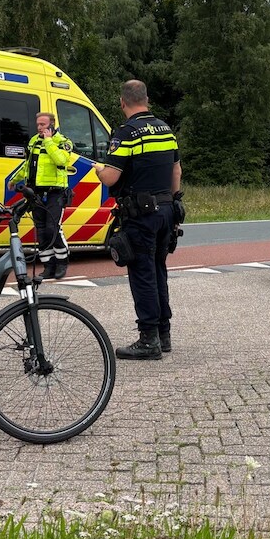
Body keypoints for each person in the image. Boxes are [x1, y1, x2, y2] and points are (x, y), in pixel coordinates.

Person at [93, 80, 183, 360]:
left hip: (141, 215)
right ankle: (163, 333)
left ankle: (148, 340)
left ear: (123, 102)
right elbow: (176, 171)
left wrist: (98, 168)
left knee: (142, 274)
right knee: (158, 270)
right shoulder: (166, 129)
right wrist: (172, 199)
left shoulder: (127, 133)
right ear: (147, 98)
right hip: (167, 210)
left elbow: (111, 177)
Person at [10, 112, 76, 279]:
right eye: (38, 124)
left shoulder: (63, 142)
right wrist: (14, 179)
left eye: (43, 125)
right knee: (41, 230)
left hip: (55, 192)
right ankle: (48, 266)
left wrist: (48, 141)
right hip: (36, 193)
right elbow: (27, 165)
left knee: (52, 228)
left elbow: (61, 161)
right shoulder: (33, 141)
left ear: (52, 125)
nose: (39, 128)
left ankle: (62, 263)